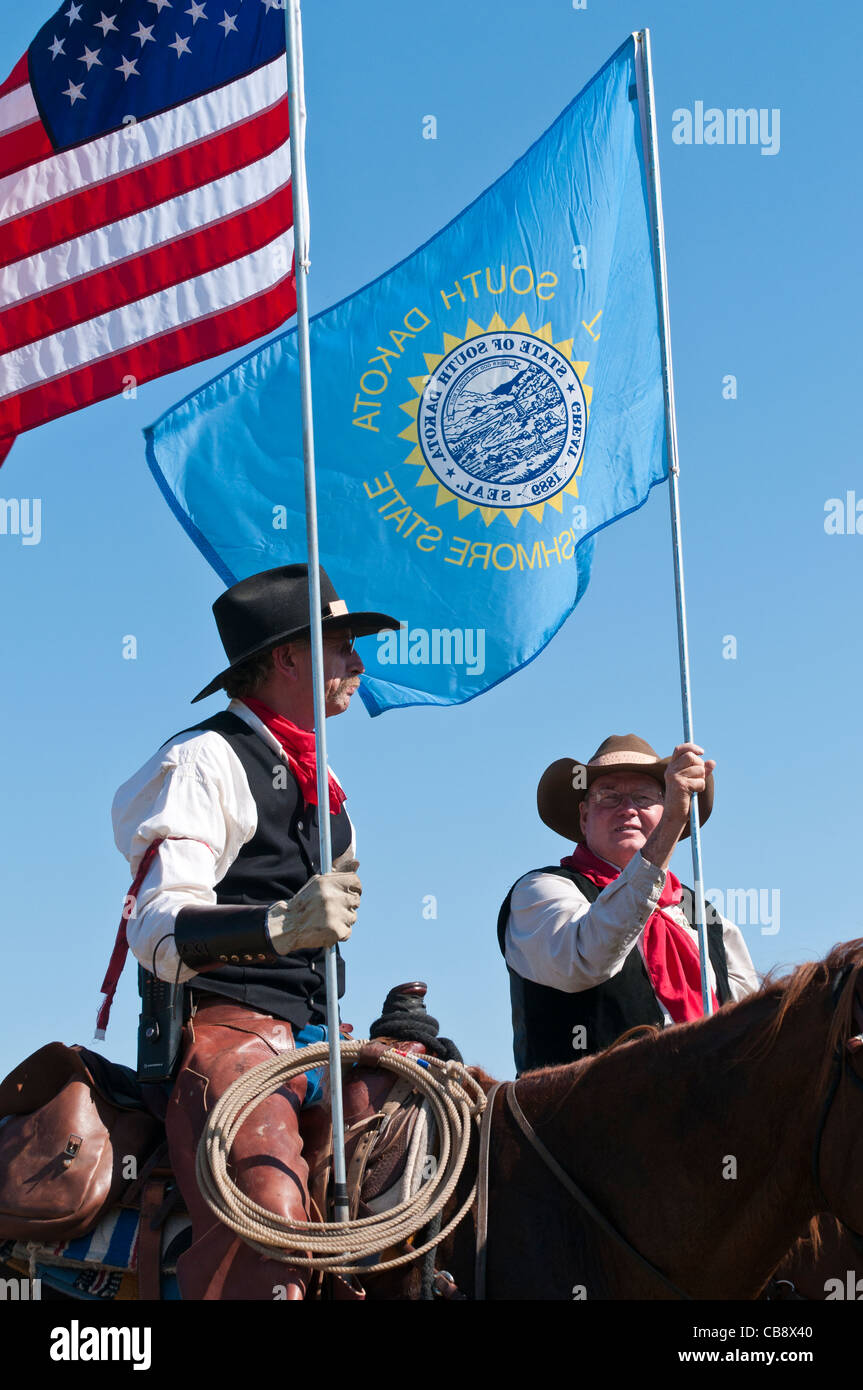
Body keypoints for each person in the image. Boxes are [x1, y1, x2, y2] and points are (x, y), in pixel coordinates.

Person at [111, 563, 398, 1299]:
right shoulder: (204, 759)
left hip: (319, 1035)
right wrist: (279, 925)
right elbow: (156, 925)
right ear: (287, 657)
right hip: (225, 1032)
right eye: (340, 646)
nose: (357, 664)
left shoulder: (324, 786)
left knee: (428, 1161)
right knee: (268, 1221)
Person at [497, 734, 759, 1074]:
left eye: (644, 797)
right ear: (583, 817)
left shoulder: (707, 919)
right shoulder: (541, 892)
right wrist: (666, 832)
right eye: (609, 797)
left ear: (667, 810)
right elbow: (589, 957)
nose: (628, 809)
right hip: (574, 1122)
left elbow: (752, 1029)